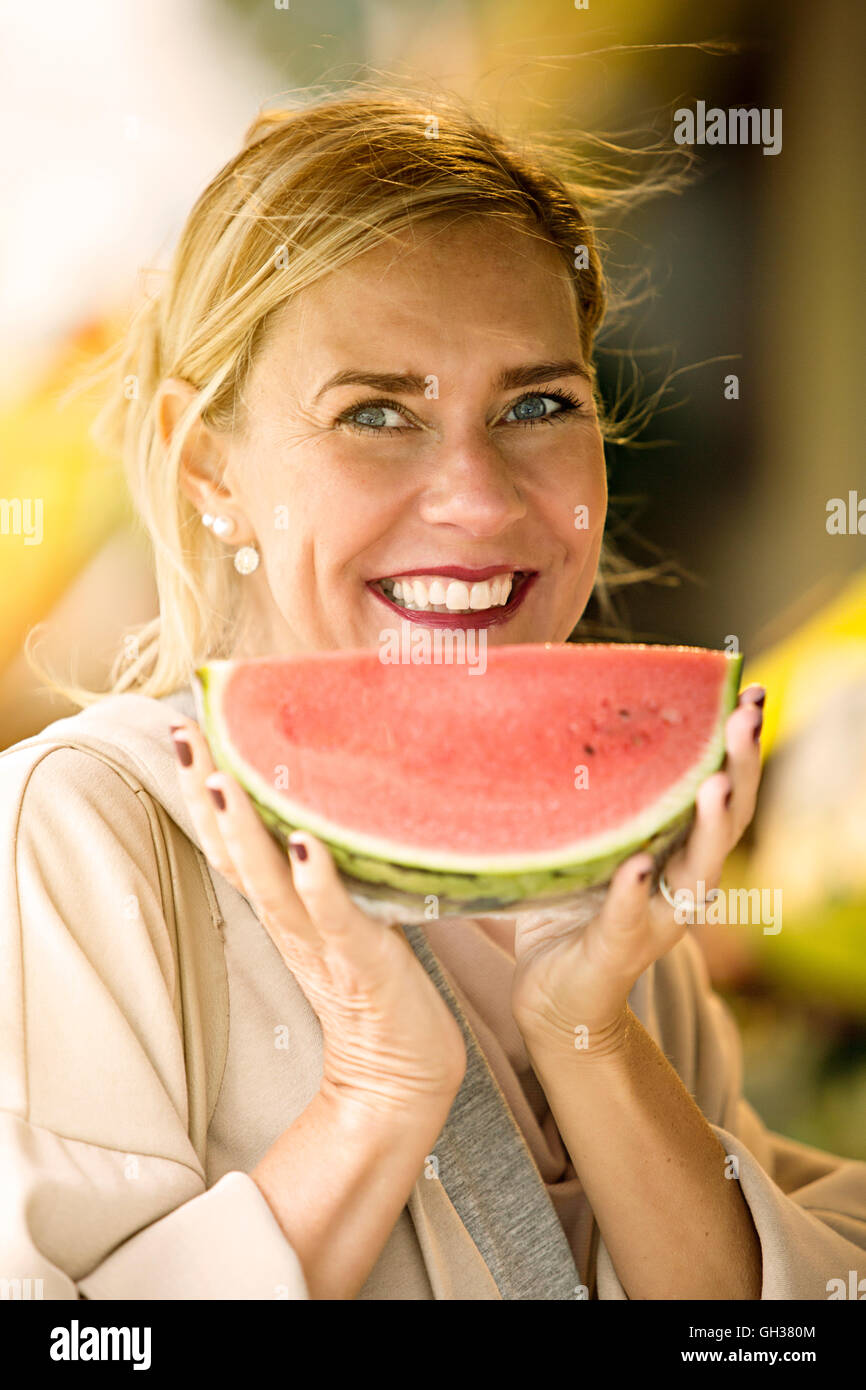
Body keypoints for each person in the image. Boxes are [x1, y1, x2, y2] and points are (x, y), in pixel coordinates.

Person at [2, 88, 865, 1301]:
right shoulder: (81, 836)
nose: (475, 497)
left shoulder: (616, 891)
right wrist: (373, 1087)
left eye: (535, 405)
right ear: (210, 466)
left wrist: (588, 1030)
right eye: (373, 412)